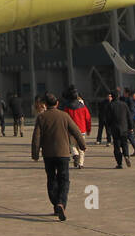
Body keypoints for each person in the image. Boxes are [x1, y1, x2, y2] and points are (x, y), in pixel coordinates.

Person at [31, 92, 86, 221]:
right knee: (64, 179)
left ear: (45, 104)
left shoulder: (41, 117)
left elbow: (36, 137)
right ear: (57, 103)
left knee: (51, 179)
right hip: (63, 153)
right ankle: (61, 202)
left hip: (48, 154)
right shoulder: (64, 116)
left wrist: (35, 153)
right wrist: (82, 145)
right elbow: (76, 131)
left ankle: (56, 204)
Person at [62, 87, 92, 168]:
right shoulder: (83, 107)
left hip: (71, 130)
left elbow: (64, 119)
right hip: (82, 129)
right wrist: (88, 129)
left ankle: (75, 155)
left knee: (72, 145)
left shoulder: (67, 107)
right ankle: (81, 163)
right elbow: (88, 119)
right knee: (81, 146)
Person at [106, 88, 134, 168]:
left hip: (115, 129)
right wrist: (131, 127)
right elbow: (129, 116)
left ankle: (119, 163)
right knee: (125, 143)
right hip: (124, 128)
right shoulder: (124, 104)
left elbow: (108, 118)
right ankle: (126, 155)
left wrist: (109, 128)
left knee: (117, 146)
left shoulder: (110, 105)